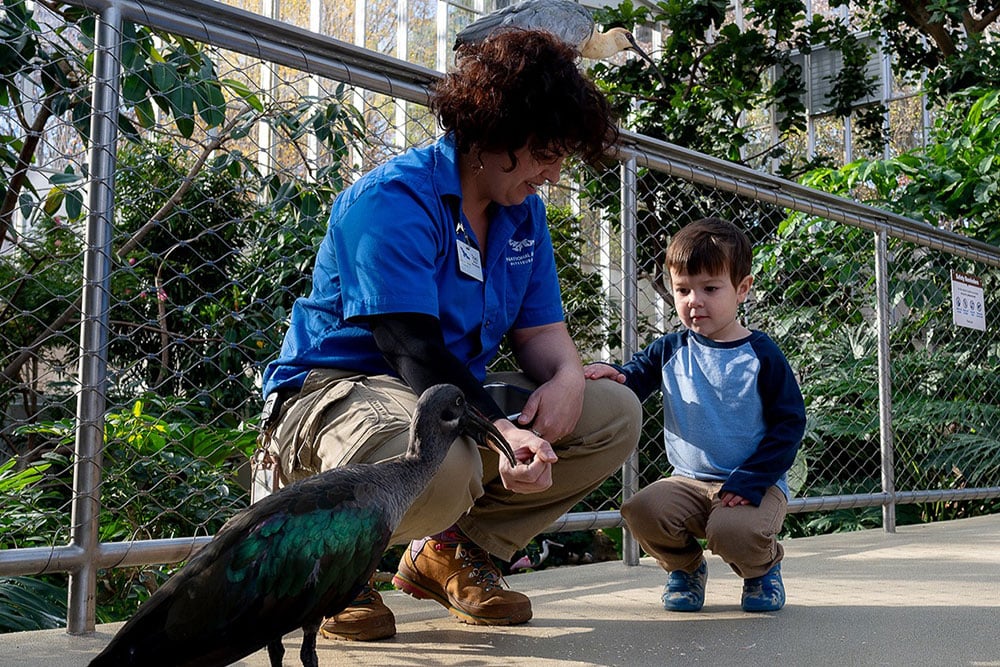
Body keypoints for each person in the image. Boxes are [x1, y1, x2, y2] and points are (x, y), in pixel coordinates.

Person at [259, 29, 641, 641]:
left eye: (561, 153)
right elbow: (411, 348)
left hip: (442, 397)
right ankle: (330, 562)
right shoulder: (391, 200)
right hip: (341, 391)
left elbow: (541, 328)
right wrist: (504, 431)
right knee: (447, 459)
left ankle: (452, 550)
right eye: (544, 150)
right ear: (493, 131)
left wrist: (568, 376)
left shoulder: (523, 213)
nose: (554, 170)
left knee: (612, 412)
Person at [584, 217, 805, 613]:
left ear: (742, 289)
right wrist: (615, 376)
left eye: (710, 288)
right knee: (640, 510)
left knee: (731, 531)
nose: (693, 301)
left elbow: (790, 424)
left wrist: (753, 478)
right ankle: (685, 569)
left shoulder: (762, 354)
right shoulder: (670, 348)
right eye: (682, 289)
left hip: (755, 482)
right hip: (689, 482)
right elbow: (636, 375)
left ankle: (762, 570)